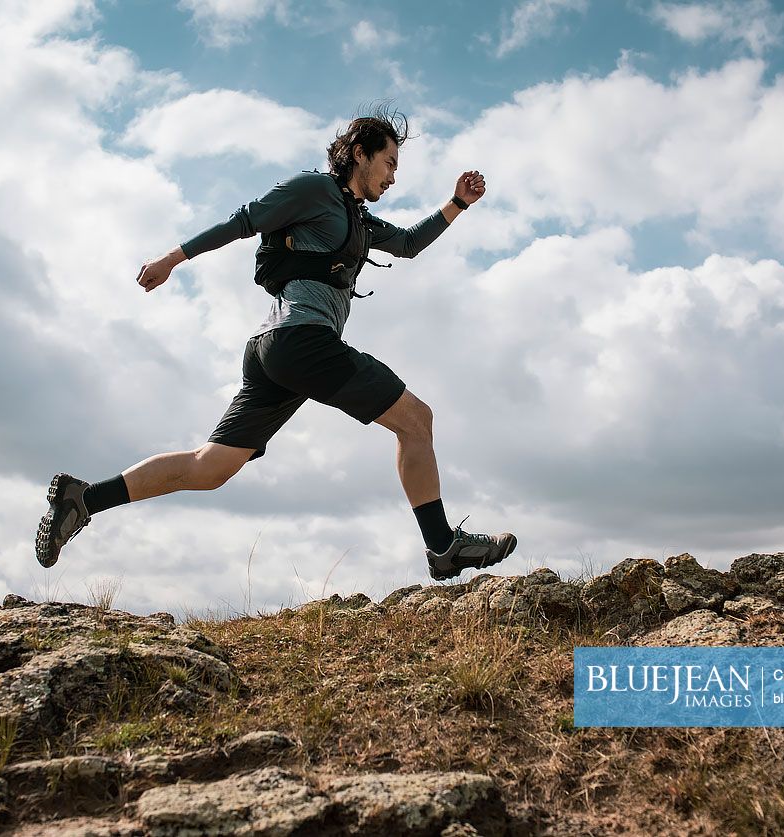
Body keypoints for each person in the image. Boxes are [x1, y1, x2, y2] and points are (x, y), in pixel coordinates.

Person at [36, 105, 517, 581]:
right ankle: (443, 547)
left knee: (210, 469)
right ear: (357, 153)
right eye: (389, 162)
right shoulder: (315, 191)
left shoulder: (359, 220)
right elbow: (244, 220)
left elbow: (409, 244)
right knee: (417, 420)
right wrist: (171, 259)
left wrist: (457, 204)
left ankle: (84, 499)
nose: (393, 177)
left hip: (275, 353)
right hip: (300, 341)